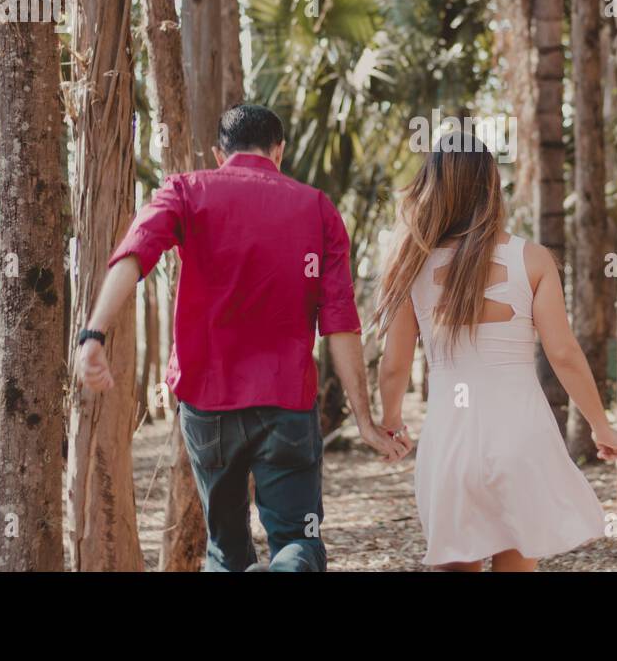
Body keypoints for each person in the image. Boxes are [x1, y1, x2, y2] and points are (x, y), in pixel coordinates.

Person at [76, 103, 407, 572]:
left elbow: (134, 254)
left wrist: (94, 333)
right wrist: (365, 419)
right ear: (280, 150)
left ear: (218, 153)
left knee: (225, 549)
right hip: (287, 405)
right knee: (299, 540)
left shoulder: (187, 191)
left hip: (208, 405)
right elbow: (340, 323)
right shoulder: (317, 209)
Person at [376, 134, 617, 571]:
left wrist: (391, 421)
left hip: (450, 441)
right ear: (492, 187)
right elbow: (563, 353)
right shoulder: (532, 258)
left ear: (433, 188)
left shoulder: (410, 266)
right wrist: (601, 425)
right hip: (521, 437)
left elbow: (394, 364)